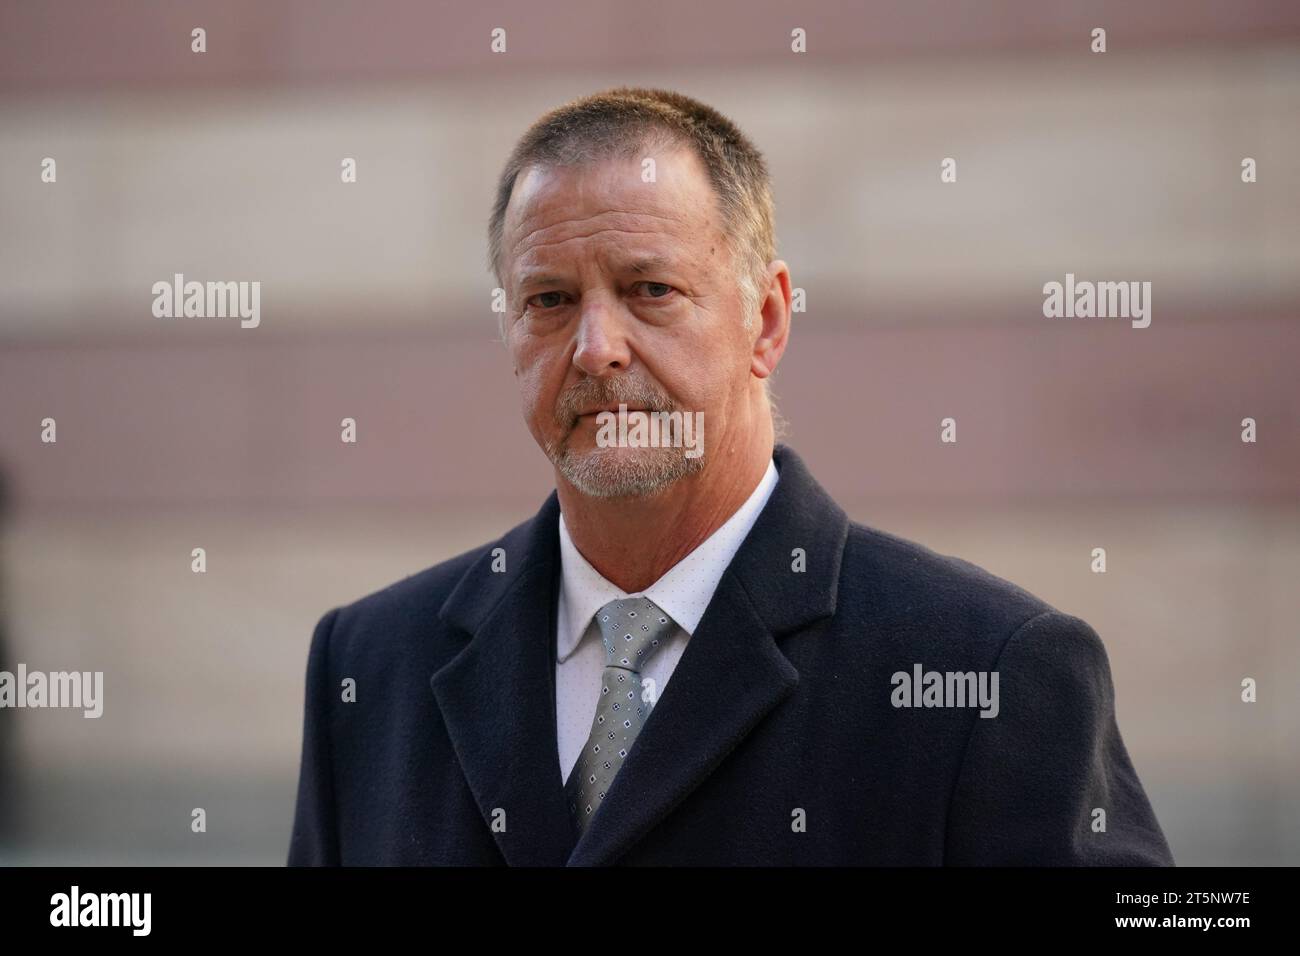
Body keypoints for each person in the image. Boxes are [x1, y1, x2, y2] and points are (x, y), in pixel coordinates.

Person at [288, 87, 1173, 866]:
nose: (597, 348)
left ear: (768, 321)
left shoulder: (989, 668)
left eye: (650, 290)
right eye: (549, 300)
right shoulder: (369, 667)